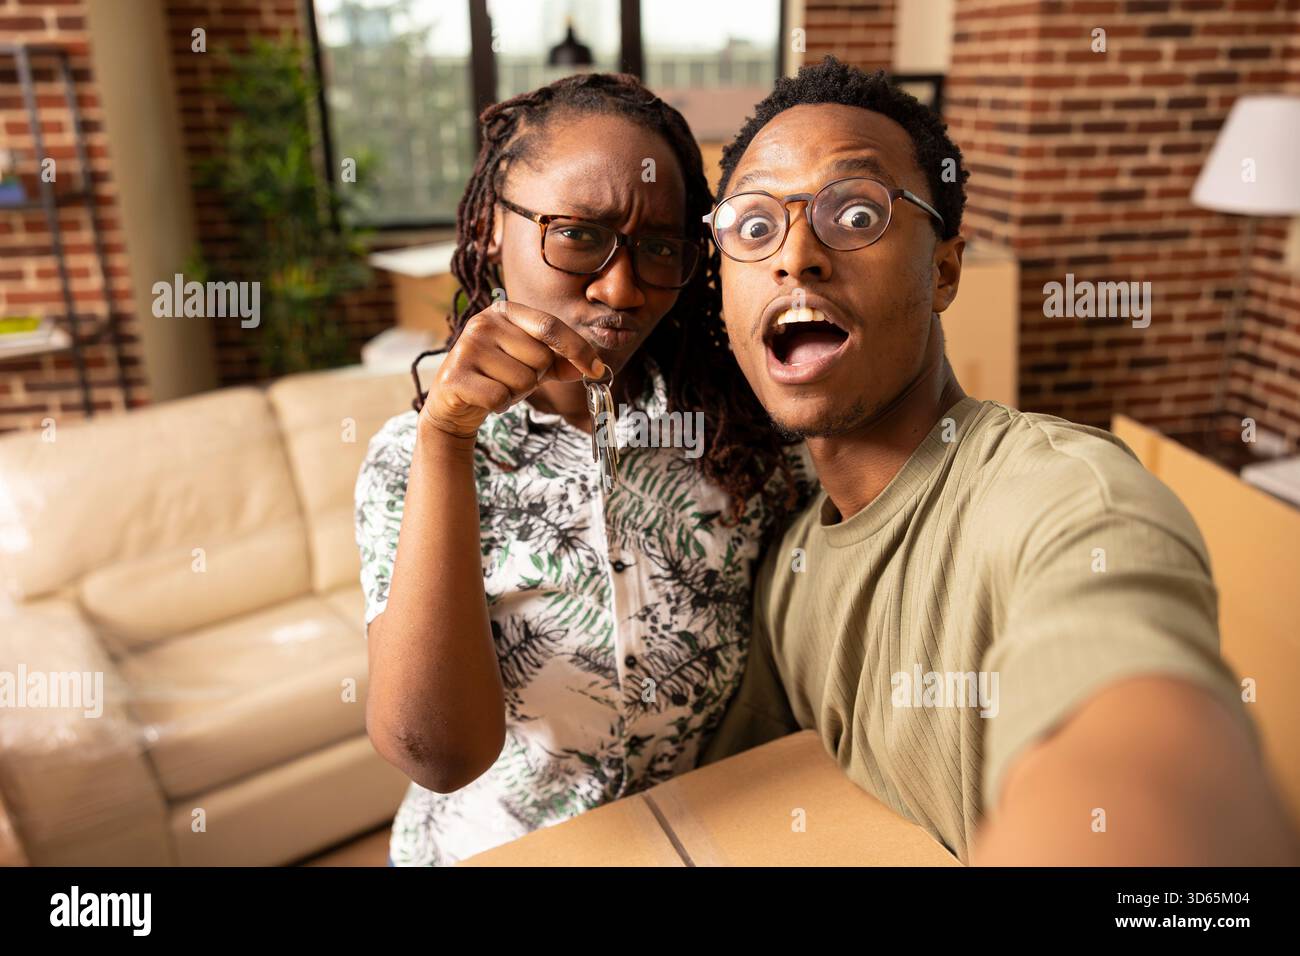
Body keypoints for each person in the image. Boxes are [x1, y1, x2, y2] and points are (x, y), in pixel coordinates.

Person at [700, 57, 1298, 865]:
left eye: (856, 213)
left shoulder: (1069, 501)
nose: (796, 254)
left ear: (943, 270)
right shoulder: (790, 563)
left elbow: (1139, 764)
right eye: (756, 224)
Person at [353, 72, 810, 866]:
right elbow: (437, 755)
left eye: (661, 247)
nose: (622, 289)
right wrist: (446, 441)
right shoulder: (415, 457)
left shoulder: (739, 440)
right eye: (577, 234)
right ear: (495, 226)